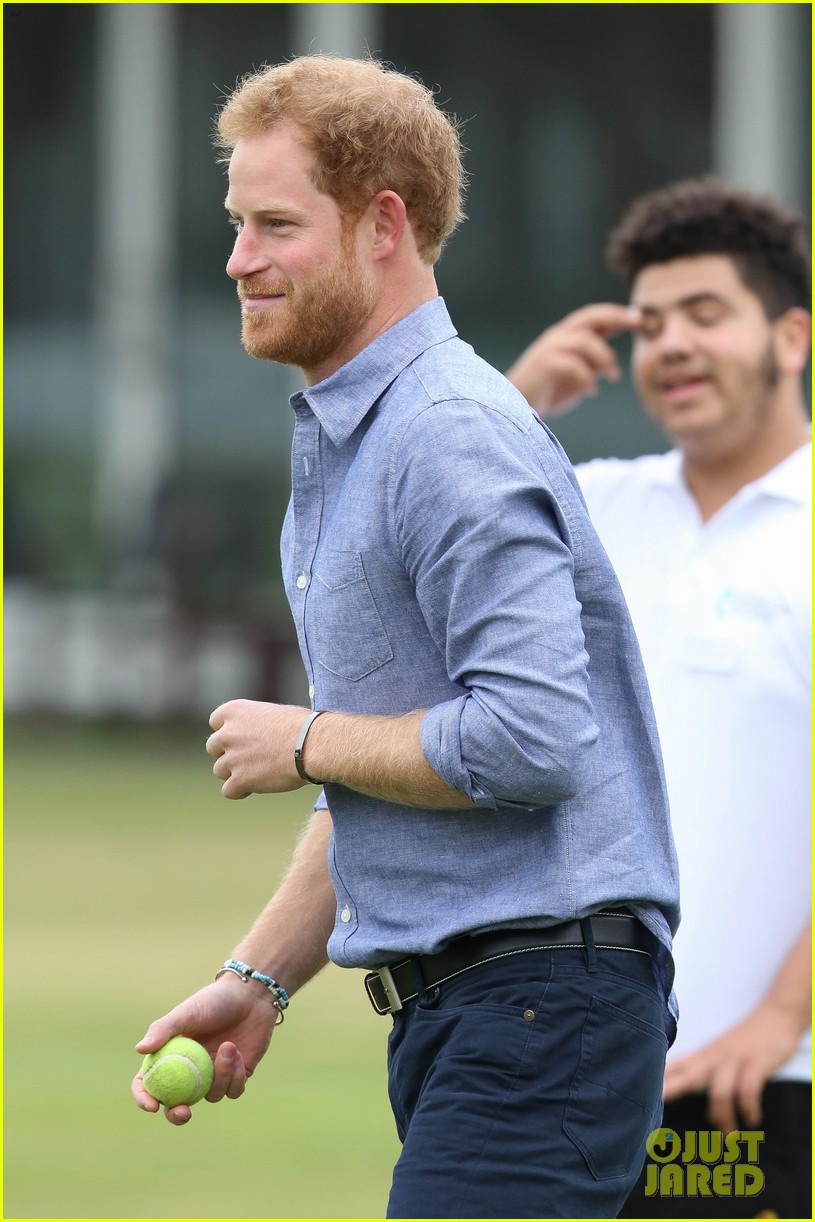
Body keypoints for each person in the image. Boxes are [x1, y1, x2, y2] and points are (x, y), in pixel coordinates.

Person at [131, 55, 680, 1219]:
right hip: (488, 1012)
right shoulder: (358, 435)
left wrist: (307, 739)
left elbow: (530, 738)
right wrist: (259, 978)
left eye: (275, 223)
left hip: (542, 1010)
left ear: (383, 224)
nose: (237, 258)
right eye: (236, 222)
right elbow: (391, 769)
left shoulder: (442, 433)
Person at [507, 177, 811, 1219]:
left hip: (763, 1086)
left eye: (704, 314)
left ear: (789, 336)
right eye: (648, 323)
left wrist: (781, 1017)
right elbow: (397, 575)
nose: (670, 343)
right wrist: (511, 409)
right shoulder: (588, 505)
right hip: (580, 1073)